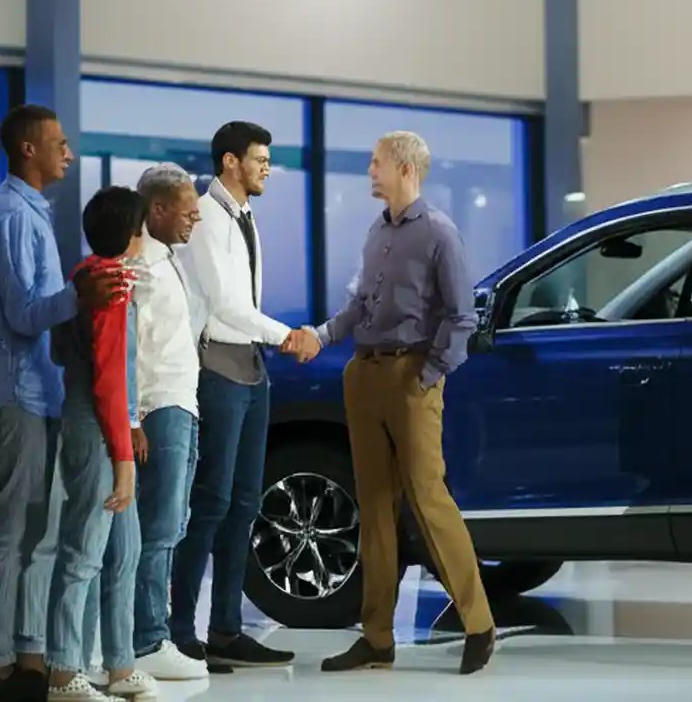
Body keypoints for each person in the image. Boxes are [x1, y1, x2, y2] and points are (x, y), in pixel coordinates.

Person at [288, 131, 496, 675]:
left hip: (412, 377)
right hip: (365, 374)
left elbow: (462, 316)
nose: (370, 172)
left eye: (376, 163)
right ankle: (377, 637)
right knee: (374, 508)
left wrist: (429, 375)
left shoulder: (439, 234)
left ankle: (479, 622)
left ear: (404, 167)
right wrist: (323, 335)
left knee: (428, 499)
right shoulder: (377, 232)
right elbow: (360, 305)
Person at [0, 104, 126, 702]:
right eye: (59, 143)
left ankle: (29, 655)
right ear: (28, 150)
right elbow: (21, 315)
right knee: (12, 529)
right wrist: (78, 295)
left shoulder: (33, 213)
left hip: (40, 386)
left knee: (39, 529)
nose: (69, 152)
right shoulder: (12, 215)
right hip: (15, 388)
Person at [173, 121, 296, 668]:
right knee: (211, 503)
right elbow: (224, 304)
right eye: (259, 159)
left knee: (245, 503)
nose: (267, 167)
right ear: (230, 162)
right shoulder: (205, 219)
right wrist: (287, 335)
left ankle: (225, 628)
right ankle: (179, 632)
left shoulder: (244, 215)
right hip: (217, 367)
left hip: (251, 367)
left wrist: (270, 343)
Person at [46, 186, 157, 700]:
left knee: (125, 549)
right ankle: (65, 671)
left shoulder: (87, 275)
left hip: (106, 421)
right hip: (95, 426)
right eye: (141, 227)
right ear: (131, 233)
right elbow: (110, 380)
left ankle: (119, 665)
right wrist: (123, 461)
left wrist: (131, 425)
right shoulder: (108, 285)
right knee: (85, 551)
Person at [126, 163, 209, 680]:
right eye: (188, 208)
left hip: (184, 403)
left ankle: (152, 635)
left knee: (172, 524)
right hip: (159, 409)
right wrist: (134, 419)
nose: (196, 216)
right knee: (157, 530)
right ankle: (147, 639)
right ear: (157, 209)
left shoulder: (171, 262)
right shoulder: (142, 271)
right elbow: (131, 352)